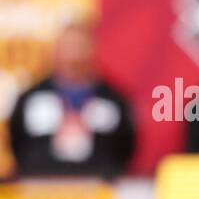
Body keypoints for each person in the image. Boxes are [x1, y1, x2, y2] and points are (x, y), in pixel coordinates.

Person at [7, 22, 135, 179]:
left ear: (93, 49)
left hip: (98, 189)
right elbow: (17, 141)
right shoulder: (31, 97)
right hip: (39, 189)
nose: (74, 53)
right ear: (56, 50)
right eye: (68, 45)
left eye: (80, 45)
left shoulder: (114, 99)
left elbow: (125, 146)